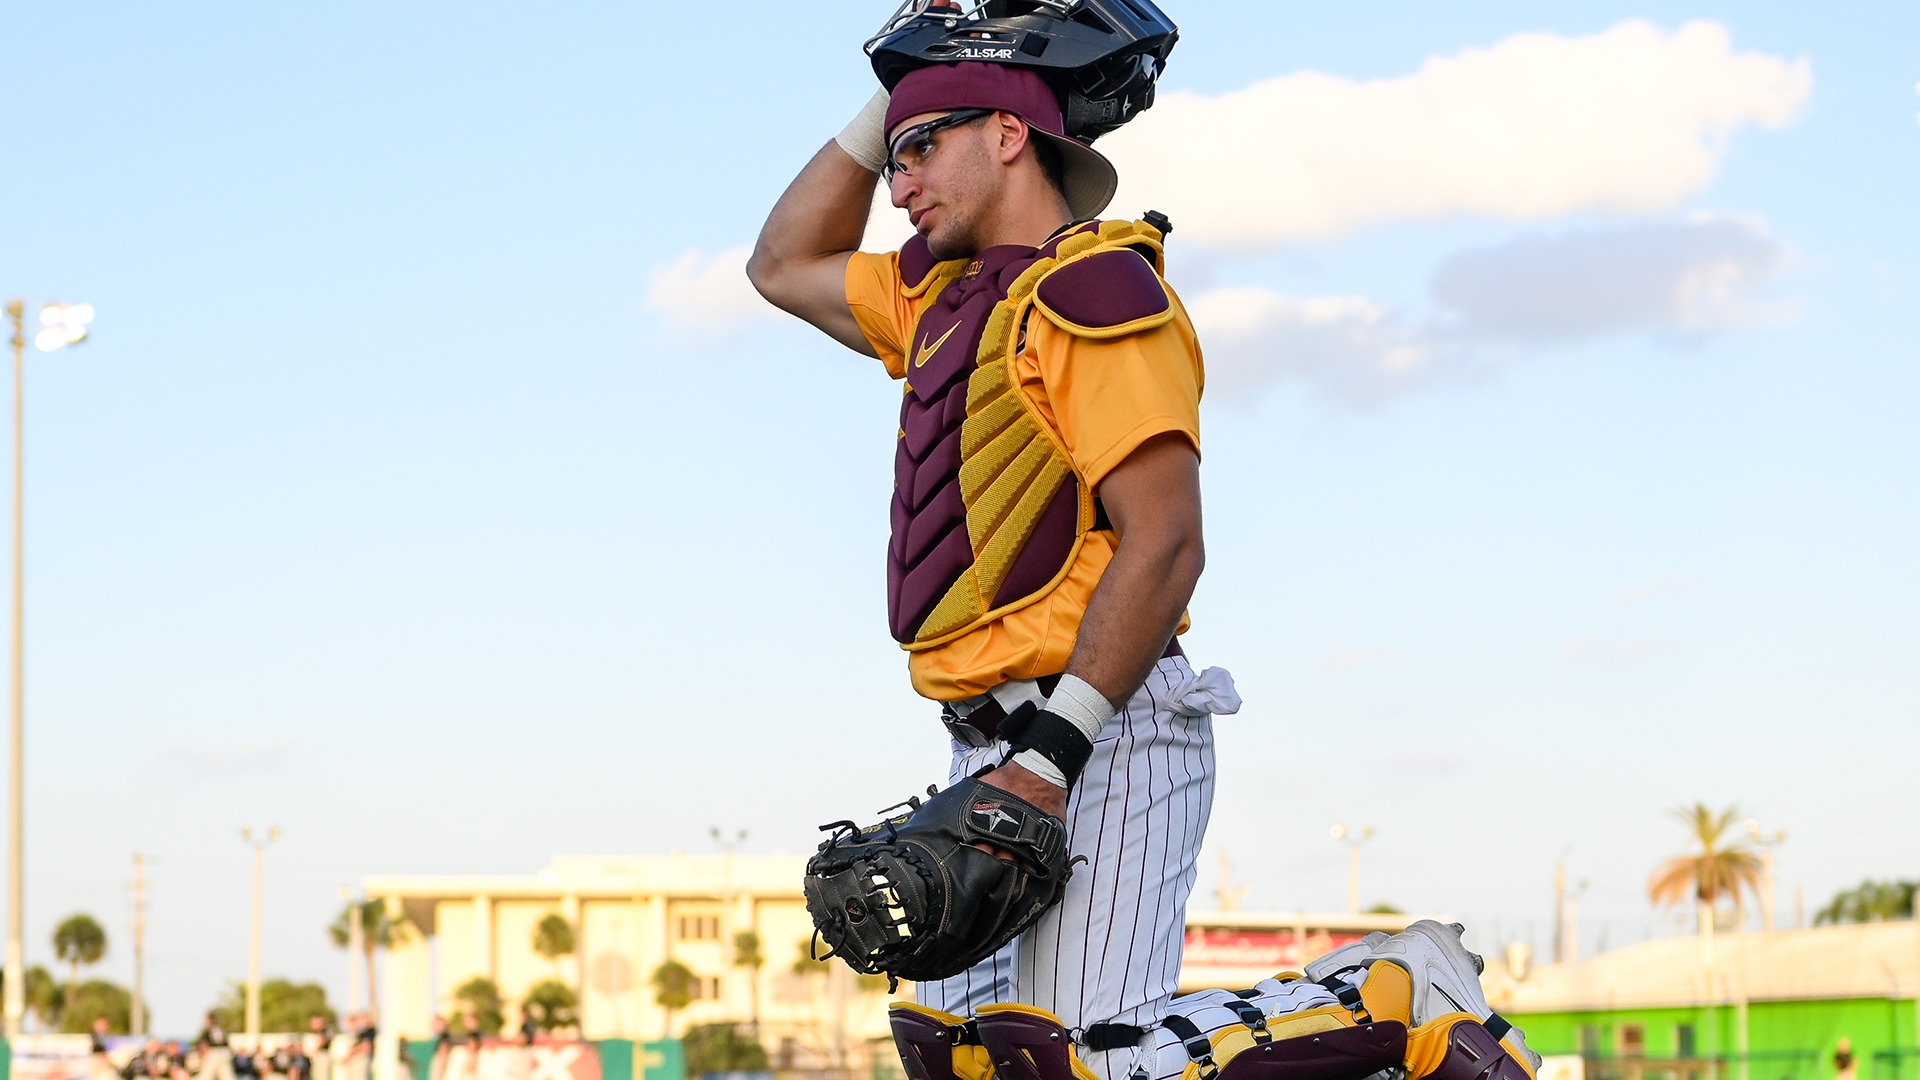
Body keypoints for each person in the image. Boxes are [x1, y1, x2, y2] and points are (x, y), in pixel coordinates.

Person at [748, 6, 1545, 1080]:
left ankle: (1389, 996)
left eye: (921, 147)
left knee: (1088, 1062)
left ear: (1010, 133)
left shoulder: (1096, 291)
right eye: (894, 157)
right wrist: (904, 89)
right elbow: (782, 262)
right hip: (982, 745)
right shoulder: (933, 300)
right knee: (964, 1061)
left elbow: (1167, 541)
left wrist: (1052, 757)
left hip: (1105, 729)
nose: (898, 185)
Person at [195, 1012, 235, 1080]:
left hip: (214, 1052)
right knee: (225, 1074)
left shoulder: (209, 1031)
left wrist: (203, 1053)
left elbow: (204, 1044)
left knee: (207, 1074)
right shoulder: (221, 1030)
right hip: (225, 1052)